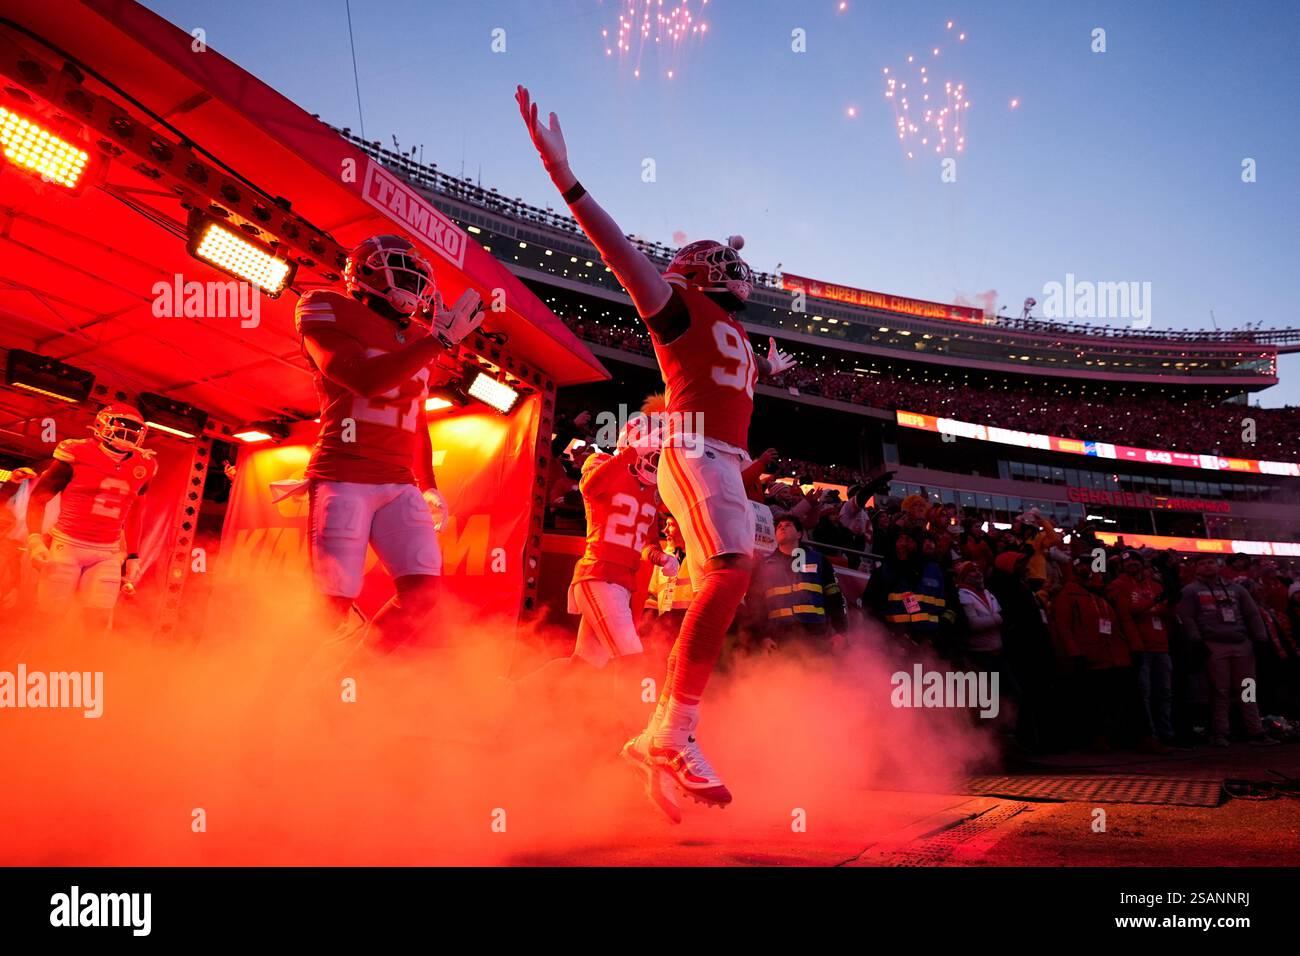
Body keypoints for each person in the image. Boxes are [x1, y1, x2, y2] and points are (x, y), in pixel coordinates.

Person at [516, 85, 796, 808]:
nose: (741, 274)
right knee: (729, 573)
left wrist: (768, 372)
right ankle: (670, 733)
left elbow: (725, 377)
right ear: (705, 270)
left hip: (723, 460)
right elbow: (618, 255)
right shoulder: (677, 306)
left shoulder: (726, 330)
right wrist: (567, 181)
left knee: (727, 586)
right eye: (728, 265)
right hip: (696, 451)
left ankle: (658, 743)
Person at [294, 233, 484, 650]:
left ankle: (355, 678)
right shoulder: (326, 306)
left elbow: (416, 420)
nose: (414, 283)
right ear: (365, 273)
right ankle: (283, 695)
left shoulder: (418, 335)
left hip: (398, 482)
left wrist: (429, 483)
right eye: (403, 270)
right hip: (345, 473)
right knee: (332, 604)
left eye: (418, 276)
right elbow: (363, 379)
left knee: (423, 593)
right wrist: (439, 343)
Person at [24, 405, 156, 631]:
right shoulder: (78, 451)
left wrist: (133, 555)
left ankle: (84, 662)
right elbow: (38, 498)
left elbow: (135, 512)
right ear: (101, 424)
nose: (128, 433)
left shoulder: (145, 463)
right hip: (67, 545)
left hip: (107, 552)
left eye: (135, 429)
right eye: (122, 426)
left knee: (97, 621)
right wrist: (34, 539)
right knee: (48, 617)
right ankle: (37, 661)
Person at [1175, 556, 1278, 747]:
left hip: (1241, 643)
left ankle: (1254, 730)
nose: (1207, 566)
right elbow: (1187, 618)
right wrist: (1197, 641)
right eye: (1202, 563)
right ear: (1196, 568)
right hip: (1213, 644)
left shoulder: (1236, 589)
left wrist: (1261, 638)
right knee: (1219, 691)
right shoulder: (1191, 591)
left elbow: (1252, 613)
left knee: (1248, 688)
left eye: (1210, 562)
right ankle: (1221, 732)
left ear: (1218, 565)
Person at [745, 515, 846, 654]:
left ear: (799, 533)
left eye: (788, 525)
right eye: (779, 527)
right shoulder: (763, 566)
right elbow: (754, 604)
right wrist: (762, 637)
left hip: (816, 636)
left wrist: (841, 632)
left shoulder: (819, 560)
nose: (782, 528)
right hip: (779, 638)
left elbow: (835, 598)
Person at [1108, 552, 1173, 752]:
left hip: (1161, 645)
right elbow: (1128, 610)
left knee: (1164, 693)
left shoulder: (1155, 585)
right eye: (1127, 561)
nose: (1132, 564)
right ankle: (1149, 736)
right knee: (1144, 694)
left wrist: (1165, 602)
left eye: (1135, 560)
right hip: (1139, 647)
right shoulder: (1117, 585)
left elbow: (1165, 611)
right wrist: (1155, 602)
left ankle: (1166, 734)